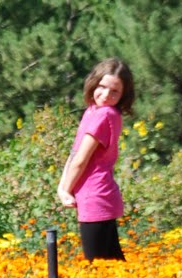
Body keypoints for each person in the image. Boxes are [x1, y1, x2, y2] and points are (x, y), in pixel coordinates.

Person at [57, 58, 135, 261]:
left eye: (115, 91)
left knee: (98, 269)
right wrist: (63, 186)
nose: (106, 95)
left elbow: (81, 159)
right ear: (94, 82)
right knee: (114, 266)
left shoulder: (104, 115)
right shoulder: (93, 111)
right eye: (102, 87)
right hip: (98, 197)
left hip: (96, 198)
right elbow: (74, 153)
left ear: (123, 95)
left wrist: (65, 189)